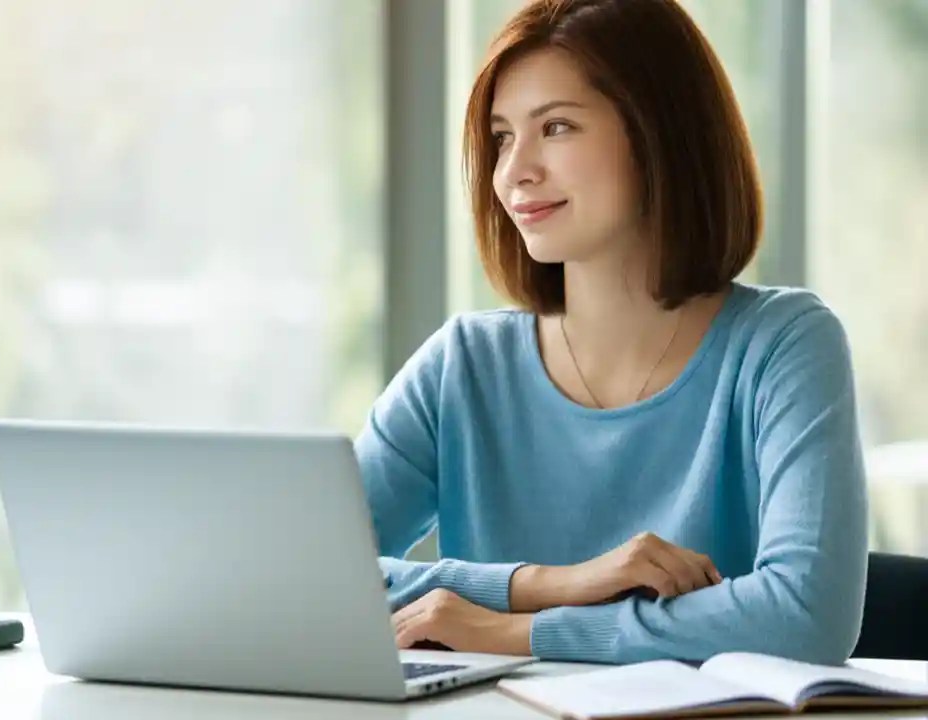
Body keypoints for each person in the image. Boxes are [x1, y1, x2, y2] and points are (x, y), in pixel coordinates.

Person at [358, 0, 867, 665]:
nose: (514, 171)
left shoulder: (785, 346)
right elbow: (304, 571)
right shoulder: (462, 366)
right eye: (503, 137)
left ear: (661, 135)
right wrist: (548, 585)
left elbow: (806, 615)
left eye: (557, 127)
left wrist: (522, 632)